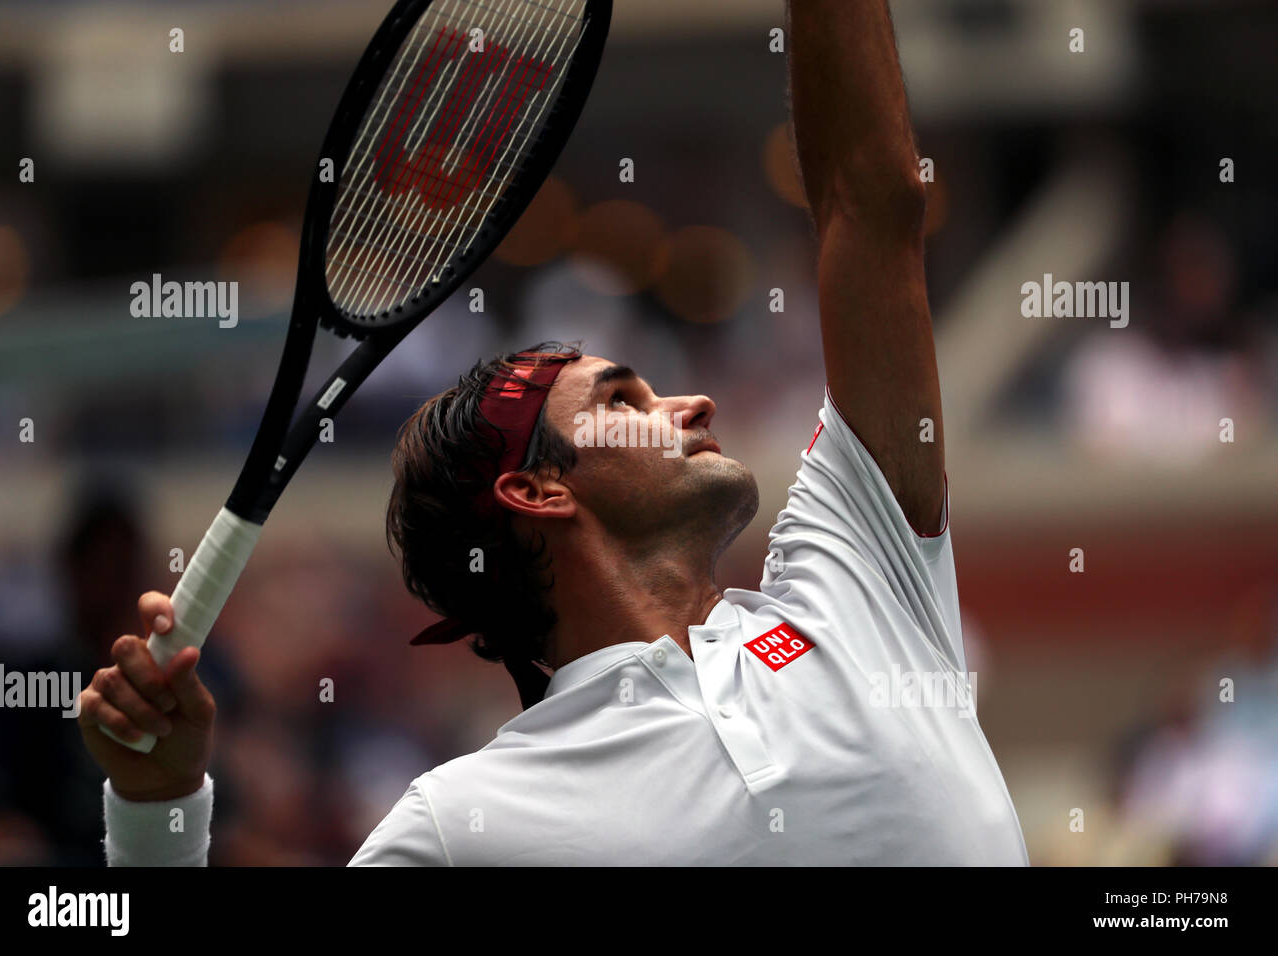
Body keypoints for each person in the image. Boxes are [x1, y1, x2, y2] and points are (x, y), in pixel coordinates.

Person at [80, 0, 1029, 865]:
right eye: (624, 401)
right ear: (538, 488)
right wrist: (156, 807)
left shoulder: (862, 586)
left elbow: (875, 206)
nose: (690, 409)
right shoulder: (465, 823)